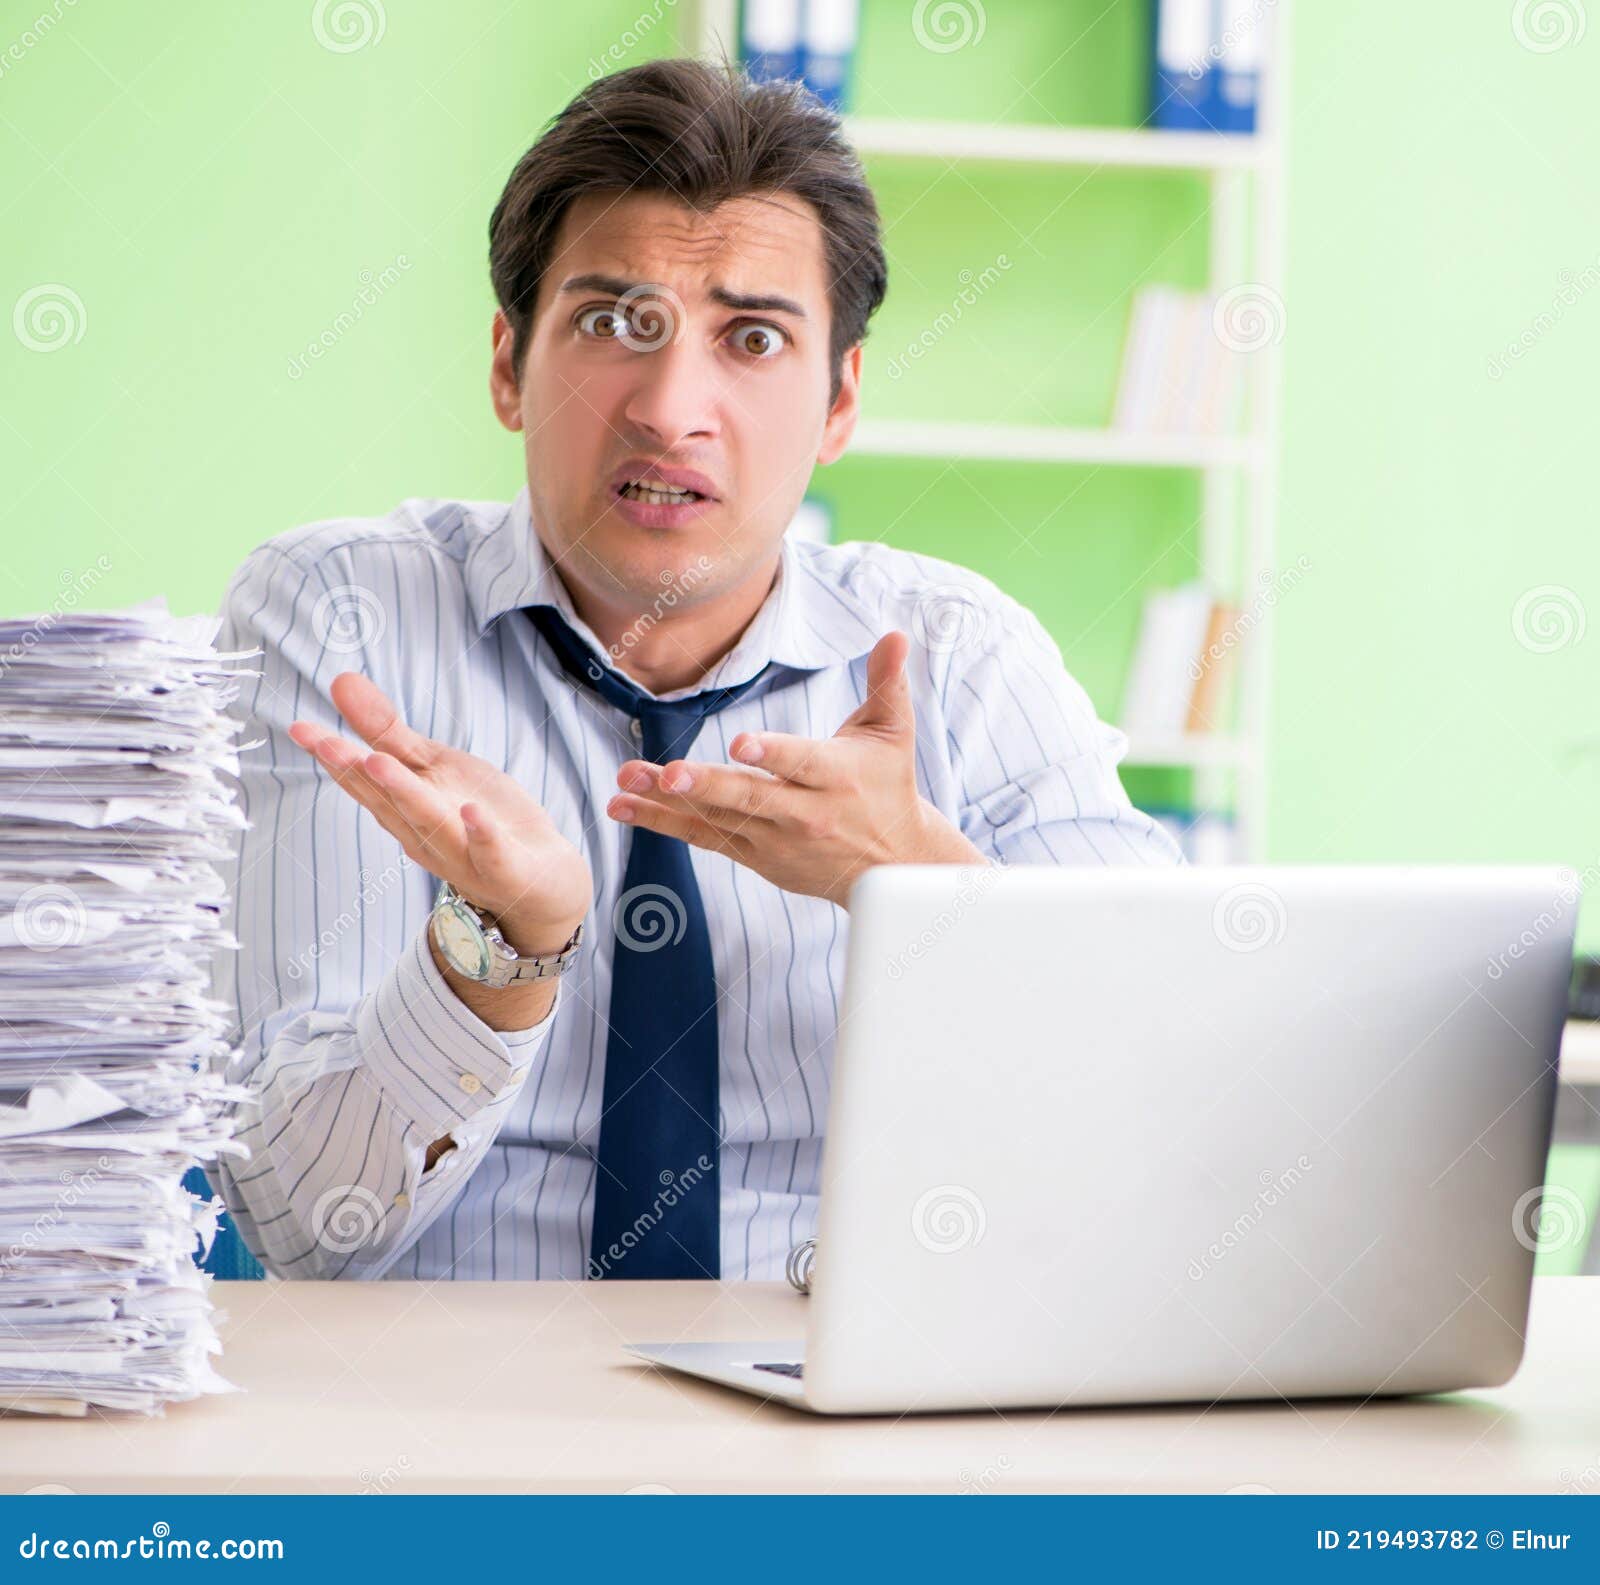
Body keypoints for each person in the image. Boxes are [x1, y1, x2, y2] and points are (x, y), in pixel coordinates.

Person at [210, 57, 1181, 1282]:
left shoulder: (962, 655)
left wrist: (920, 880)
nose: (671, 410)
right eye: (613, 323)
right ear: (509, 365)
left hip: (834, 1367)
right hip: (457, 1376)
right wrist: (497, 950)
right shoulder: (342, 617)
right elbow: (301, 1225)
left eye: (753, 338)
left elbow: (1171, 1093)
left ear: (840, 404)